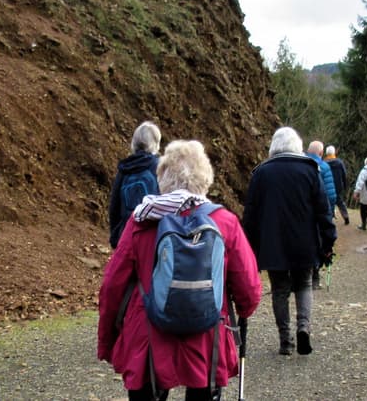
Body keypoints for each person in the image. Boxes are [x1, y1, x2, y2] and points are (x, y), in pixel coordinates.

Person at [98, 140, 262, 401]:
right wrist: (243, 309)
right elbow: (249, 289)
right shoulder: (225, 222)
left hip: (148, 336)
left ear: (162, 179)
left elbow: (112, 286)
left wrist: (108, 341)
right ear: (205, 179)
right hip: (207, 335)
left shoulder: (141, 221)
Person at [242, 127, 336, 356]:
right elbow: (323, 210)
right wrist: (328, 240)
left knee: (280, 289)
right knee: (304, 284)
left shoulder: (262, 173)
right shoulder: (310, 170)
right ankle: (303, 327)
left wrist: (250, 248)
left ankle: (285, 340)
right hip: (305, 241)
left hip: (273, 243)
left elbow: (251, 215)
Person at [108, 121, 162, 249]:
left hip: (126, 234)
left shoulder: (126, 167)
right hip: (151, 237)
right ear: (156, 143)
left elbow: (114, 206)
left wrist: (115, 237)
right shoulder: (160, 167)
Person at [304, 141, 336, 290]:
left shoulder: (301, 165)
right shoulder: (324, 167)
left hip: (303, 211)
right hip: (319, 210)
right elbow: (330, 194)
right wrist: (330, 211)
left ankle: (306, 273)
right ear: (321, 153)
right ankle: (315, 274)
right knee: (319, 241)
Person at [324, 145, 351, 226]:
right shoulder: (339, 162)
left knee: (328, 202)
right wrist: (345, 185)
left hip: (327, 186)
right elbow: (344, 175)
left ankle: (330, 218)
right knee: (340, 202)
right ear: (334, 152)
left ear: (326, 153)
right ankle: (345, 217)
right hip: (338, 186)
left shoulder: (324, 163)